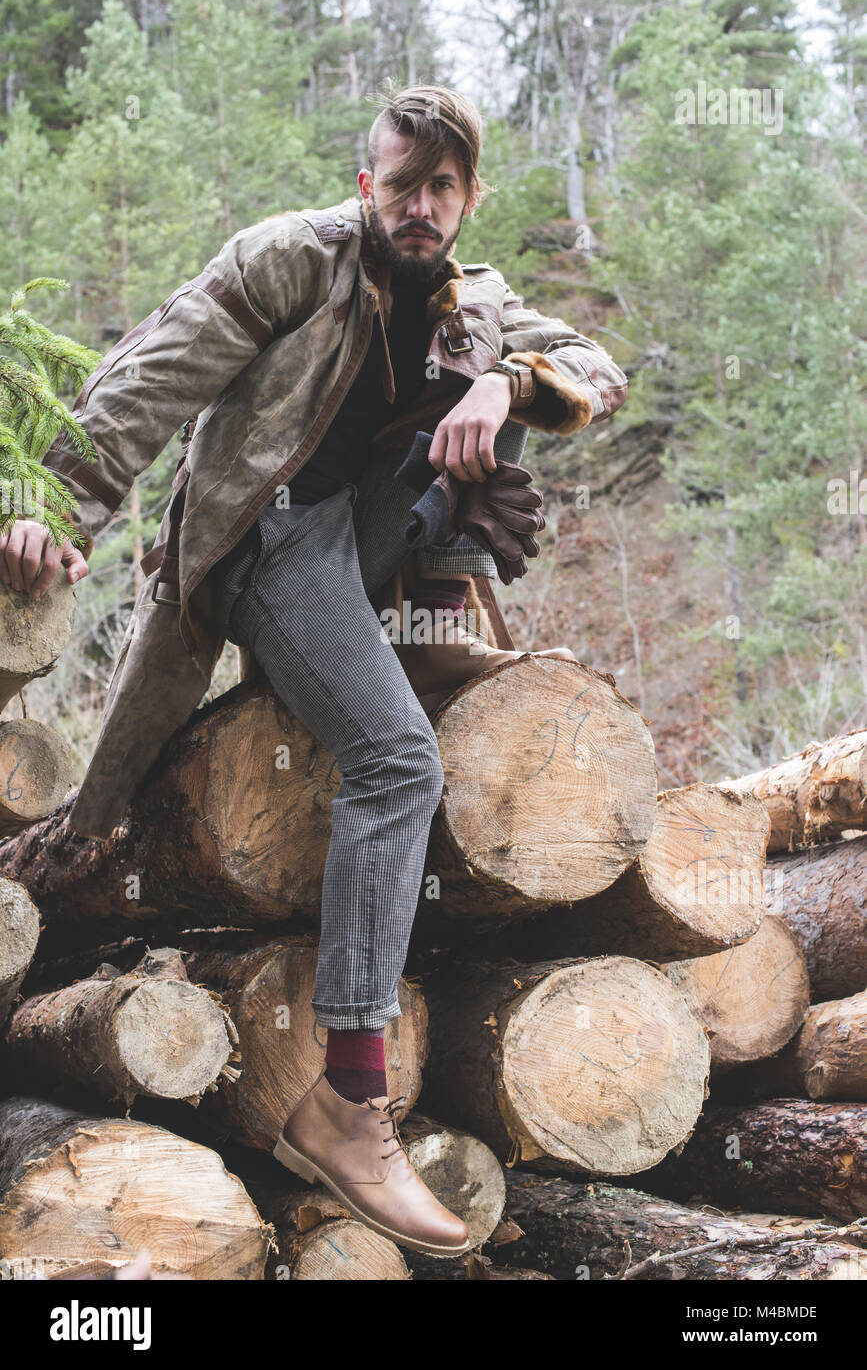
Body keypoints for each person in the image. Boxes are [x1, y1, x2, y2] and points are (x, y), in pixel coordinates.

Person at [0, 86, 628, 1256]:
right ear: (366, 185)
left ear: (470, 196)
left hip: (367, 541)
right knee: (397, 766)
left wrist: (504, 382)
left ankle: (435, 634)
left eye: (444, 188)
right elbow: (153, 372)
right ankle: (348, 1098)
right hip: (271, 537)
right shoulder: (294, 260)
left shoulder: (470, 297)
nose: (422, 207)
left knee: (498, 406)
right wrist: (56, 506)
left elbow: (597, 364)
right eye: (402, 184)